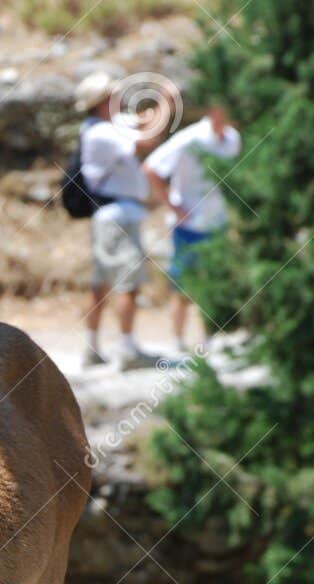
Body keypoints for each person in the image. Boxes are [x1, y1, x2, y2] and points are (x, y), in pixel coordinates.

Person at [76, 72, 157, 371]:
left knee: (101, 283)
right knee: (128, 281)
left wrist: (155, 111)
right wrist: (167, 104)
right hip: (119, 216)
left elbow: (141, 125)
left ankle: (92, 347)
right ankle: (127, 349)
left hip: (108, 216)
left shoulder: (100, 129)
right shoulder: (102, 132)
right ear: (101, 101)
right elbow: (145, 141)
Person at [144, 104, 241, 350]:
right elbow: (151, 168)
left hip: (217, 223)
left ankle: (211, 338)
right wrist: (174, 207)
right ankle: (178, 340)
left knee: (215, 281)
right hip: (188, 225)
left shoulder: (232, 139)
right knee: (183, 284)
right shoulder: (189, 139)